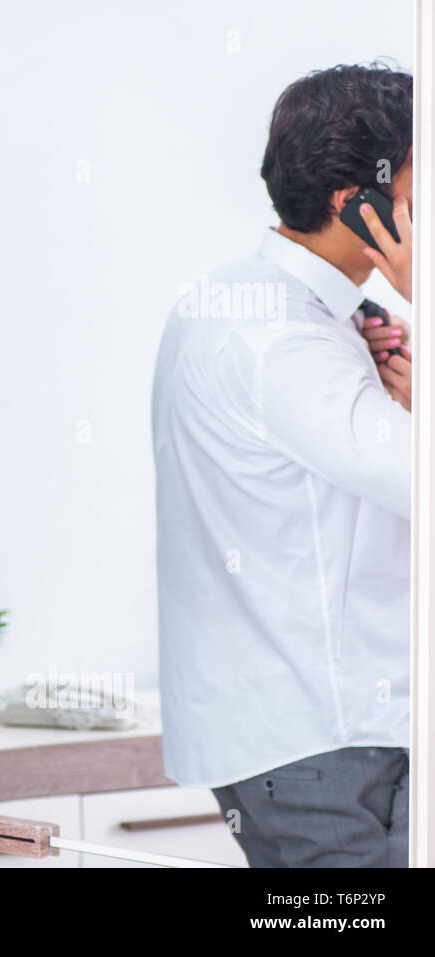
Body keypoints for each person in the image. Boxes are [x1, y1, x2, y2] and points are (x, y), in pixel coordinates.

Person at [151, 62, 413, 867]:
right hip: (320, 745)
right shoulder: (285, 341)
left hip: (319, 736)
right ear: (357, 205)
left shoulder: (255, 304)